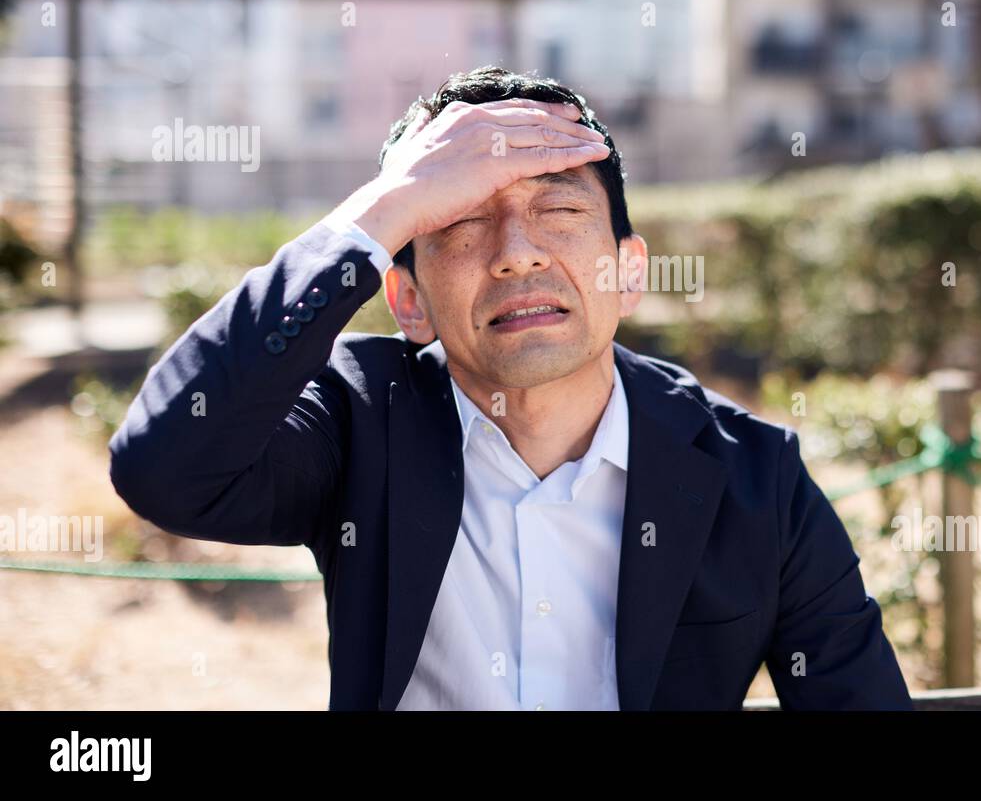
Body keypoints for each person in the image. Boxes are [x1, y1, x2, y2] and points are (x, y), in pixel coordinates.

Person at [108, 65, 912, 711]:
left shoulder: (757, 478)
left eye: (558, 209)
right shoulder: (360, 421)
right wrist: (379, 211)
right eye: (459, 223)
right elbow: (163, 465)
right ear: (409, 301)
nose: (516, 253)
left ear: (630, 272)